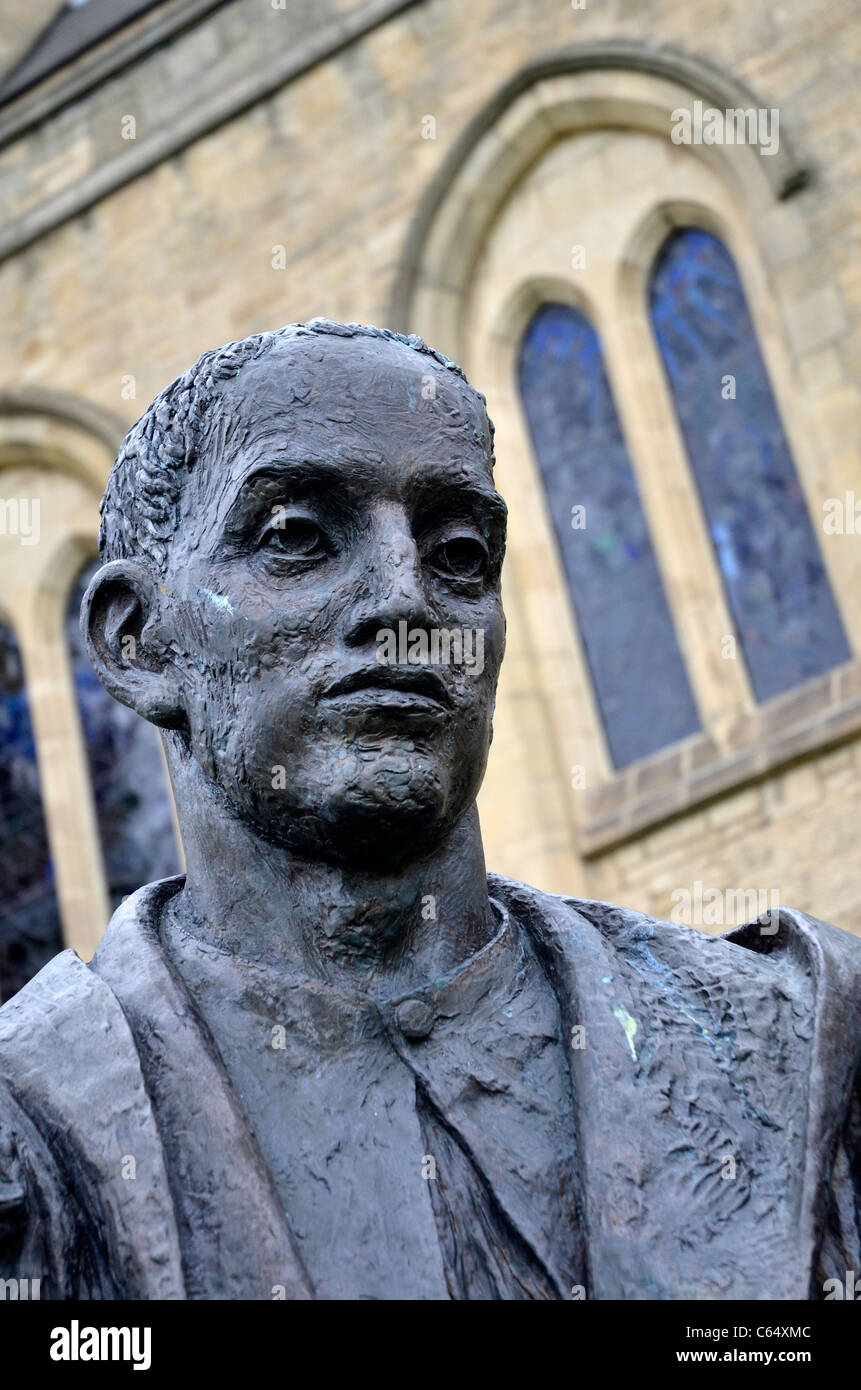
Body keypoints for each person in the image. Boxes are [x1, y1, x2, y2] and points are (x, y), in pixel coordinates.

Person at [1, 319, 859, 1300]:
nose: (406, 600)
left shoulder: (804, 1046)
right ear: (138, 641)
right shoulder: (34, 1143)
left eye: (457, 552)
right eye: (298, 538)